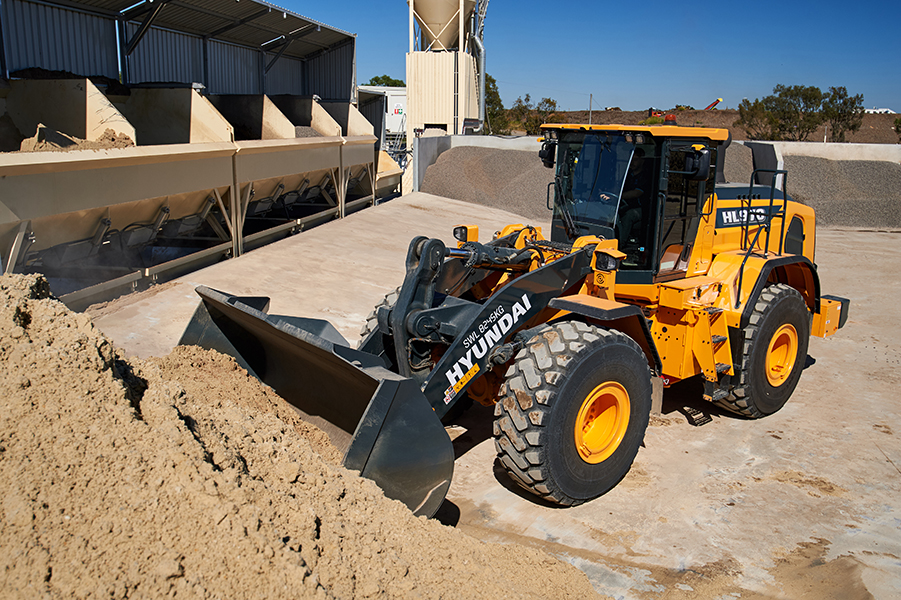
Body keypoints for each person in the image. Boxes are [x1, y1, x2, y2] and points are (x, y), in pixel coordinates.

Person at [617, 148, 651, 241]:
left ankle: (620, 243)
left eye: (635, 160)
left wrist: (618, 196)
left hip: (642, 208)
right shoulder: (627, 175)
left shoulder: (646, 176)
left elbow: (636, 193)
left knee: (629, 215)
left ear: (642, 161)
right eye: (631, 159)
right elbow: (618, 187)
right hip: (625, 204)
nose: (632, 162)